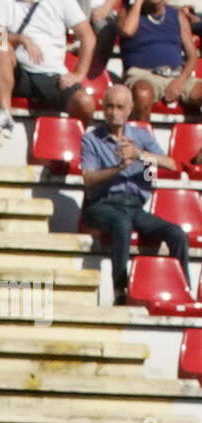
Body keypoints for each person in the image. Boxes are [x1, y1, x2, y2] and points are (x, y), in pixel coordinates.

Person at [81, 84, 184, 305]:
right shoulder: (91, 139)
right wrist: (118, 168)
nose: (114, 112)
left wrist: (139, 154)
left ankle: (182, 288)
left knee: (177, 234)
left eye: (119, 107)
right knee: (121, 223)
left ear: (130, 109)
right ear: (103, 108)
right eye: (109, 106)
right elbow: (88, 179)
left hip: (134, 205)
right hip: (101, 203)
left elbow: (172, 164)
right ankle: (120, 290)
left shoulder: (141, 135)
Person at [0, 0, 97, 132]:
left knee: (85, 103)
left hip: (52, 75)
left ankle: (75, 142)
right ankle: (4, 113)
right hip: (16, 72)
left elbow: (88, 36)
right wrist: (20, 38)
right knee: (0, 46)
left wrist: (79, 74)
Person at [119, 0, 202, 120]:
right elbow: (127, 31)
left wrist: (180, 81)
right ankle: (142, 137)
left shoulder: (178, 15)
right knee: (142, 94)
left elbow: (192, 56)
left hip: (175, 74)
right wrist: (138, 3)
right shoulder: (127, 12)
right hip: (143, 75)